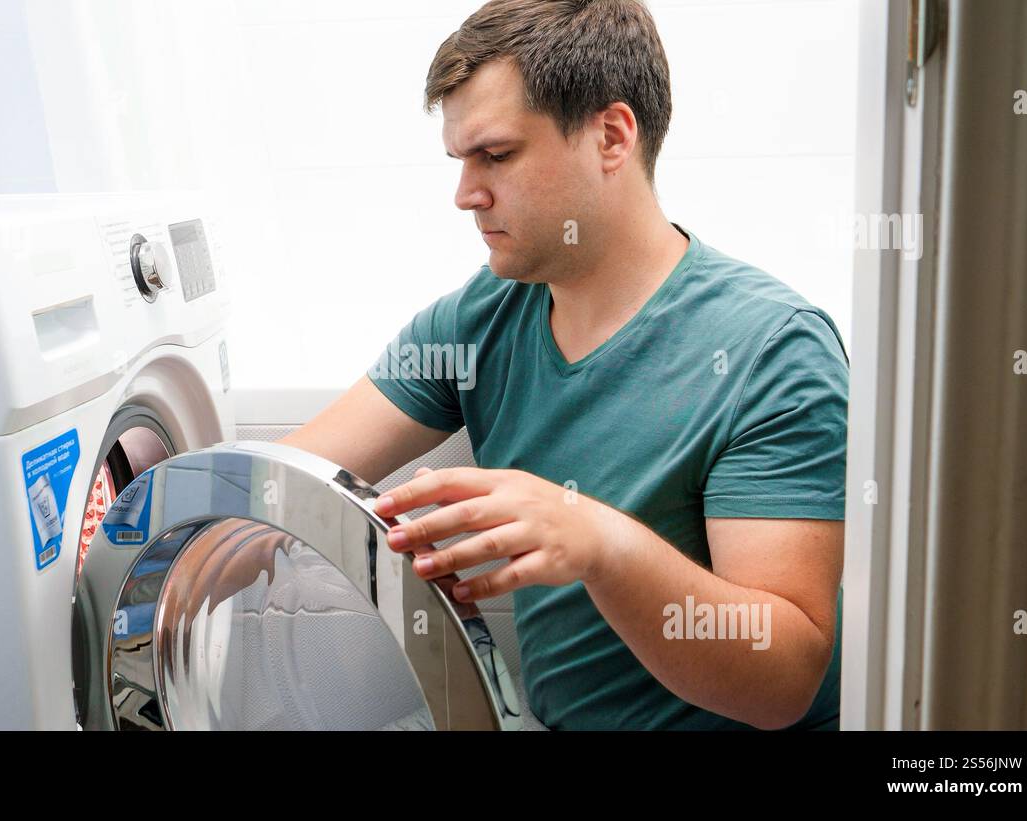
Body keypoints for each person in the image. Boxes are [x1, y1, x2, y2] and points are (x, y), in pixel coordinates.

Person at [278, 0, 845, 730]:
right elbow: (287, 477)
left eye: (497, 155)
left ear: (611, 136)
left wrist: (598, 543)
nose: (465, 195)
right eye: (460, 160)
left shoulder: (772, 351)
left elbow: (783, 677)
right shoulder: (481, 320)